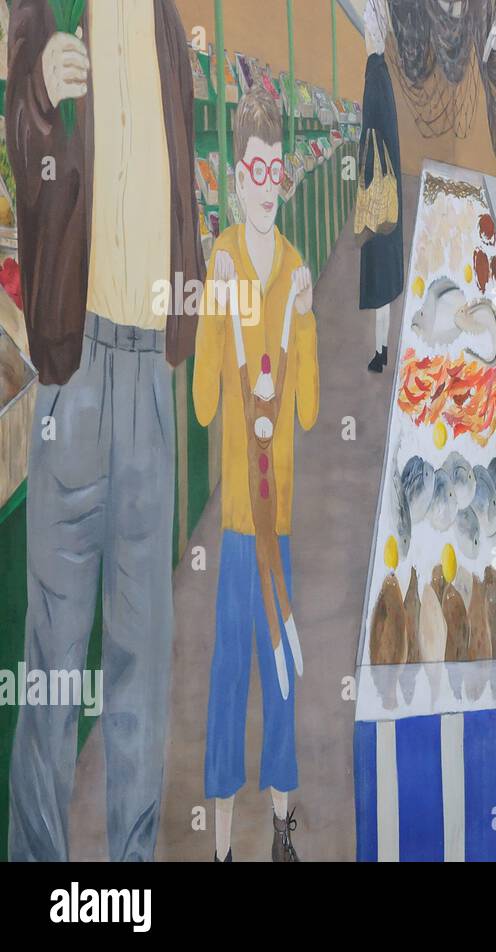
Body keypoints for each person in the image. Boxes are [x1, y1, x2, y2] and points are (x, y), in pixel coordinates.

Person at [6, 0, 204, 862]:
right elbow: (21, 127)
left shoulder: (165, 24)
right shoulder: (42, 7)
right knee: (52, 653)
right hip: (73, 365)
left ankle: (133, 876)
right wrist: (42, 89)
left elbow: (182, 179)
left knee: (142, 656)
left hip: (151, 375)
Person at [193, 89, 319, 862]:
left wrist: (301, 318)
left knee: (283, 676)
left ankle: (279, 831)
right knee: (228, 673)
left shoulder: (299, 267)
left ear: (282, 178)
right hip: (243, 518)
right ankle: (222, 847)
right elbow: (208, 399)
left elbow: (308, 410)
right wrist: (216, 310)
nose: (265, 183)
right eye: (253, 171)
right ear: (237, 182)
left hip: (284, 518)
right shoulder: (225, 259)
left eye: (275, 169)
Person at [359, 0, 404, 373]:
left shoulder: (374, 75)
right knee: (382, 275)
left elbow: (372, 141)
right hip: (384, 191)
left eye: (366, 25)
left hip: (377, 194)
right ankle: (381, 349)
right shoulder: (382, 73)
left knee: (378, 276)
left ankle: (380, 352)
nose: (363, 31)